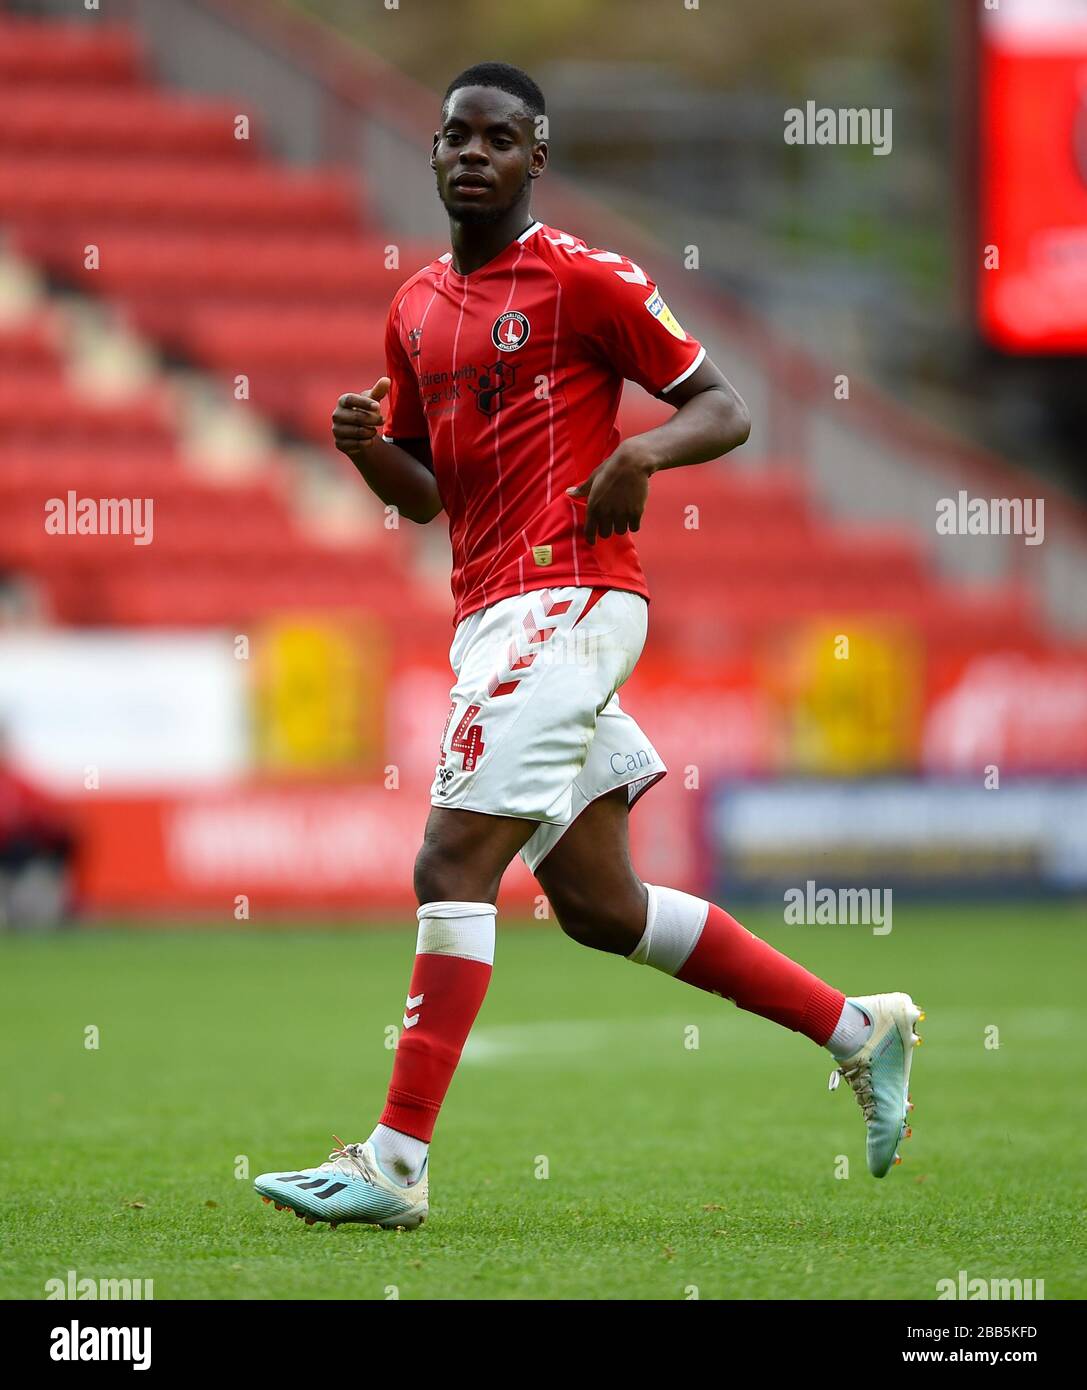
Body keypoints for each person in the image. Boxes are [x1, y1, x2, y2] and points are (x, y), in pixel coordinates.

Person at [254, 62, 922, 1230]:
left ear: (534, 159)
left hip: (571, 598)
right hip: (490, 613)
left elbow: (724, 403)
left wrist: (639, 456)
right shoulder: (413, 308)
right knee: (605, 905)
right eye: (455, 137)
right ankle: (857, 1028)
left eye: (498, 139)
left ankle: (393, 1165)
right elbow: (424, 497)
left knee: (449, 865)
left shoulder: (582, 279)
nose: (472, 153)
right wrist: (364, 448)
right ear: (435, 156)